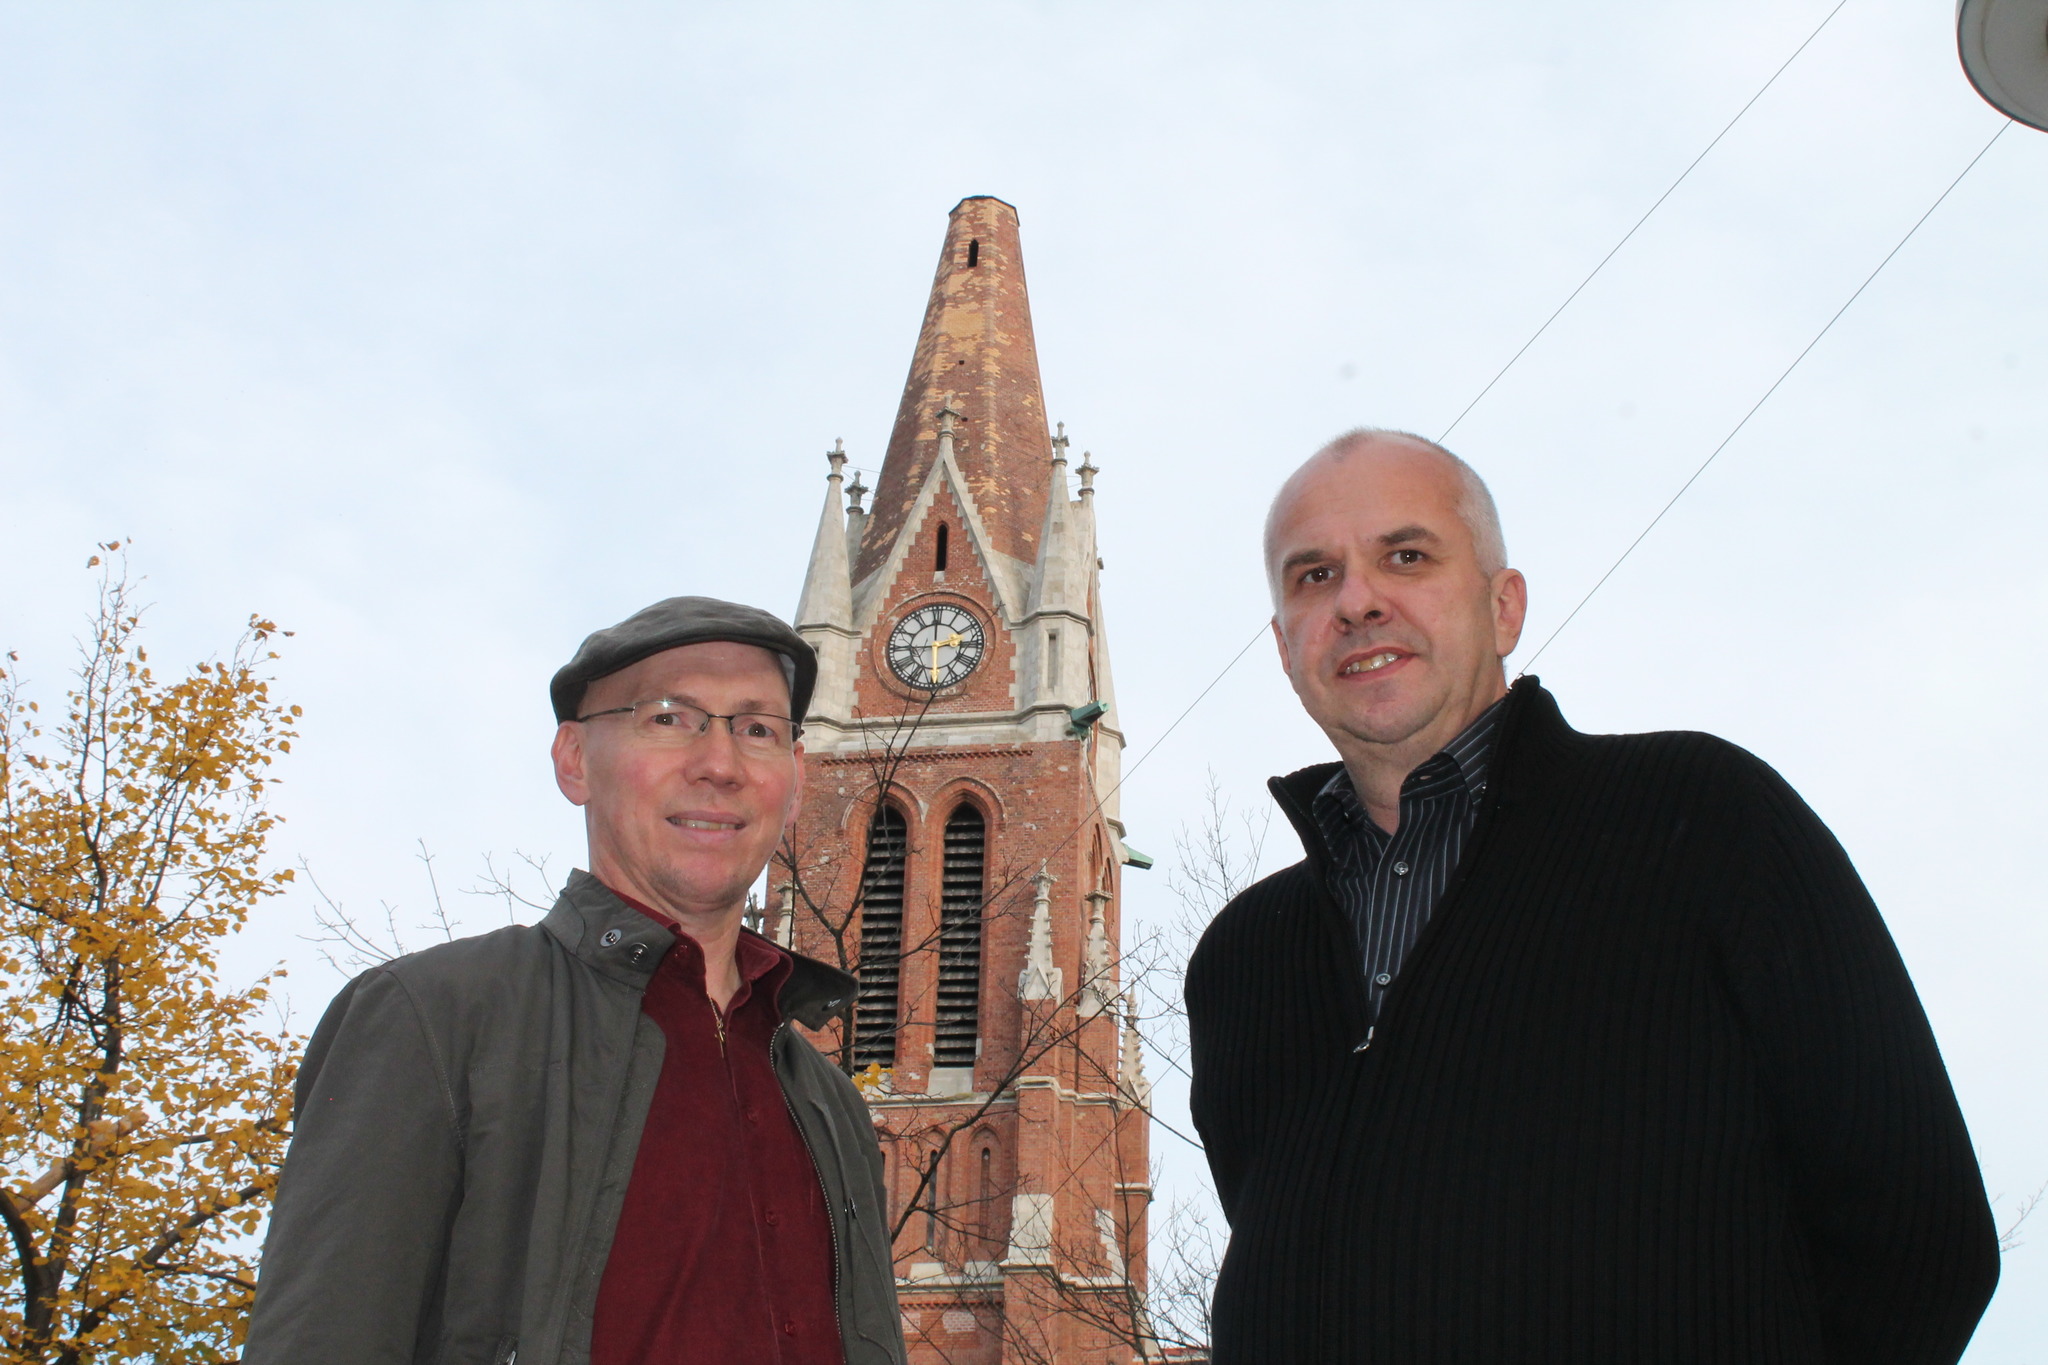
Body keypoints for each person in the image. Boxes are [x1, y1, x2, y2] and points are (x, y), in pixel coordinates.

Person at [1186, 431, 1998, 1363]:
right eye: (1314, 576)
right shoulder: (1241, 959)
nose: (1358, 600)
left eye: (1405, 556)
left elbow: (1922, 1237)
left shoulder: (1702, 816)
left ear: (1504, 607)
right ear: (1285, 647)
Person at [245, 597, 906, 1365]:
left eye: (756, 728)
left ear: (794, 782)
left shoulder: (829, 1105)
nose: (720, 763)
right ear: (573, 759)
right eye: (670, 717)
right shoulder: (435, 1017)